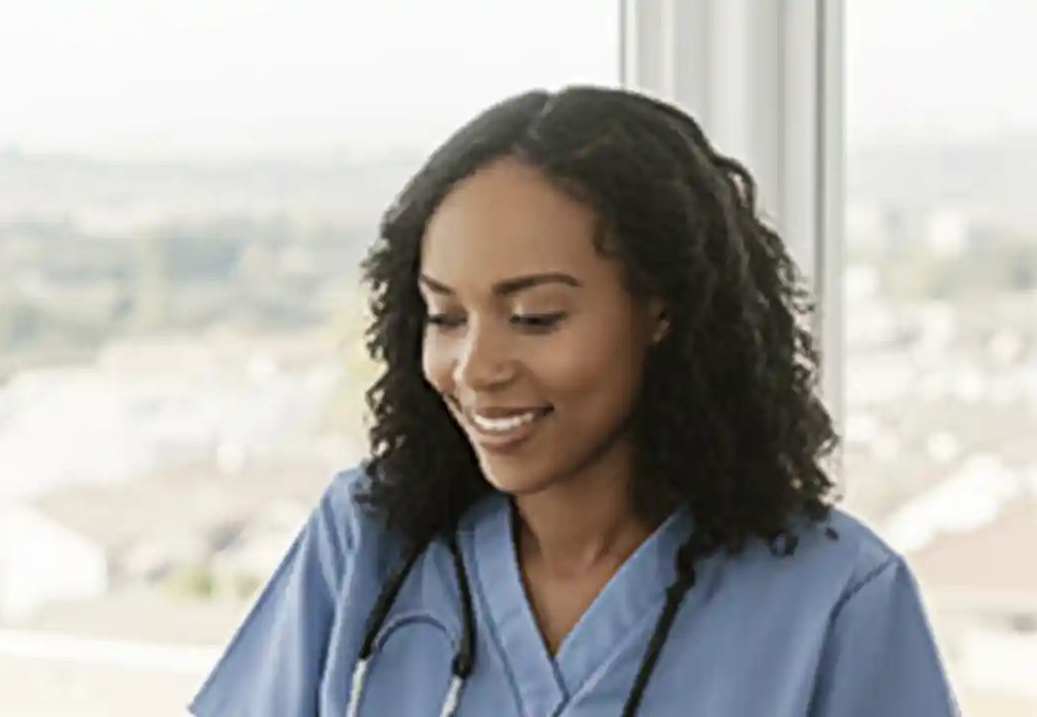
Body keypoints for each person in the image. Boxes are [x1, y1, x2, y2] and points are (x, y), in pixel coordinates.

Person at [188, 86, 960, 716]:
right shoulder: (365, 544)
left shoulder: (835, 600)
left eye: (536, 318)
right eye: (446, 317)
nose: (477, 367)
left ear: (661, 309)